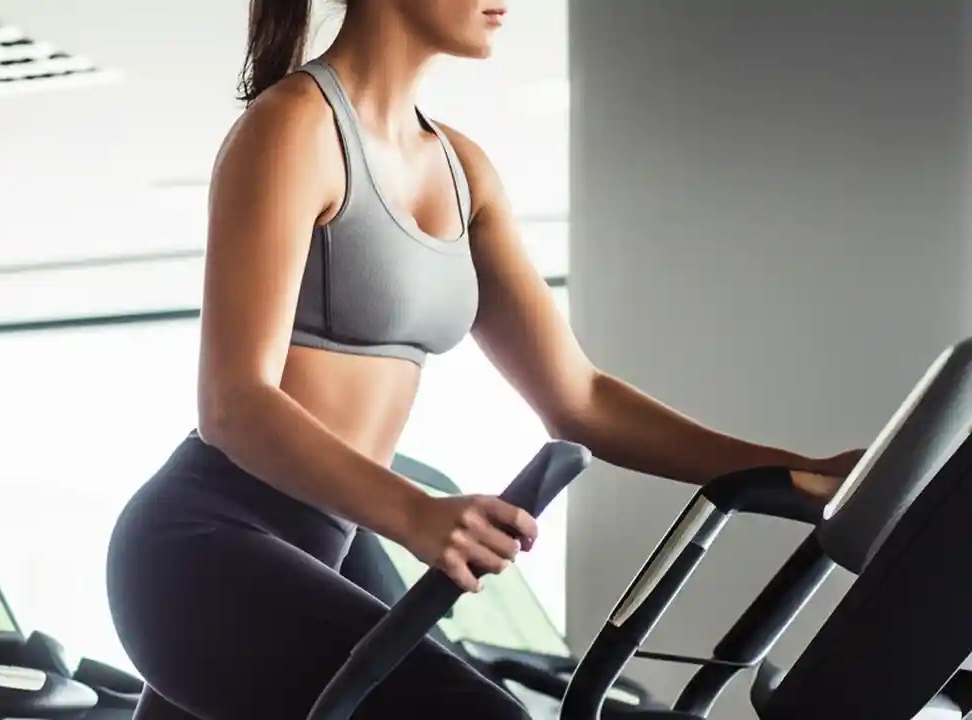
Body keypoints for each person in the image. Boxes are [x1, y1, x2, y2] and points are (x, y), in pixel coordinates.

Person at [106, 1, 863, 718]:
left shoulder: (464, 170)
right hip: (206, 545)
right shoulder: (292, 128)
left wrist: (792, 472)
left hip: (327, 543)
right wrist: (417, 514)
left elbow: (580, 398)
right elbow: (235, 402)